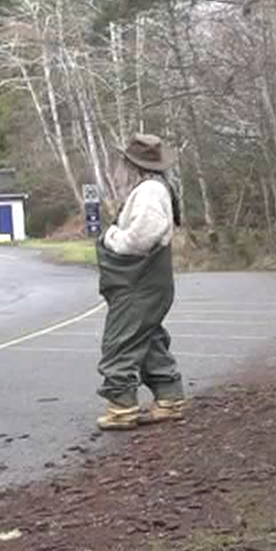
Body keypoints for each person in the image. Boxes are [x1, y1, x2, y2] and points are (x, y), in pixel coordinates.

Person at [96, 134, 188, 431]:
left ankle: (121, 407)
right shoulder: (157, 188)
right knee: (146, 339)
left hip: (139, 283)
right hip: (151, 283)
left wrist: (113, 239)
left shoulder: (148, 191)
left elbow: (144, 235)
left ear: (131, 164)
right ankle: (169, 398)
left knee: (120, 342)